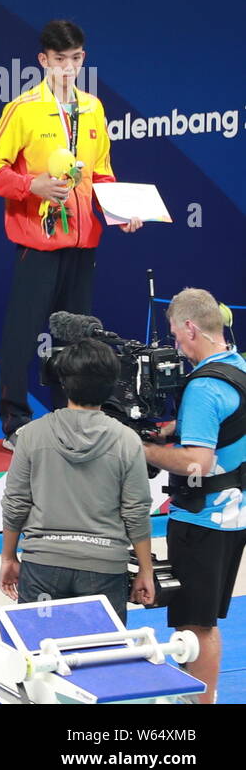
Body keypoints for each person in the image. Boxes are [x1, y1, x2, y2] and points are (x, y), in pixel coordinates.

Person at [0, 20, 141, 450]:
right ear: (43, 60)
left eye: (75, 59)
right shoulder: (23, 108)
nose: (68, 68)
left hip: (83, 242)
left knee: (79, 336)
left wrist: (120, 212)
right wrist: (31, 186)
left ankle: (72, 418)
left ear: (82, 58)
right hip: (38, 240)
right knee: (23, 333)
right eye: (60, 60)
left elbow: (102, 172)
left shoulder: (93, 109)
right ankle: (15, 422)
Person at [0, 338, 155, 623]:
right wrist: (146, 569)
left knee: (38, 659)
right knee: (100, 662)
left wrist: (8, 558)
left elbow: (15, 503)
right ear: (112, 385)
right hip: (104, 569)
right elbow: (136, 511)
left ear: (63, 381)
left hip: (42, 565)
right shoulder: (127, 441)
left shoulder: (32, 435)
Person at [143, 288, 246, 704]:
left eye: (173, 335)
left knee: (193, 627)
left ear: (190, 327)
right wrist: (172, 431)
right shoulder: (237, 366)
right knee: (203, 622)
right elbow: (228, 429)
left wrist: (144, 449)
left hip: (201, 522)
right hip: (233, 518)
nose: (175, 346)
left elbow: (198, 463)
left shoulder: (203, 387)